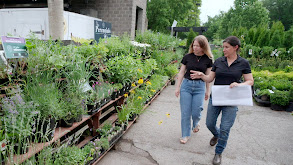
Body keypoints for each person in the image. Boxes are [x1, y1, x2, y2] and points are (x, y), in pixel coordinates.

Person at [190, 36, 254, 165]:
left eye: (227, 47)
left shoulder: (243, 63)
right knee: (209, 123)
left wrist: (239, 84)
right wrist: (202, 75)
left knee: (225, 128)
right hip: (217, 98)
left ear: (235, 48)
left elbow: (250, 81)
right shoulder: (219, 61)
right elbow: (209, 79)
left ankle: (218, 153)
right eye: (223, 47)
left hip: (231, 100)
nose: (223, 49)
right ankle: (216, 134)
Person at [175, 35, 213, 144]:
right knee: (185, 112)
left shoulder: (208, 60)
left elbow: (208, 76)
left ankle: (196, 122)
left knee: (197, 111)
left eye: (198, 46)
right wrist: (177, 87)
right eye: (194, 45)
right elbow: (181, 72)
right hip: (186, 86)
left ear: (203, 47)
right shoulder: (187, 57)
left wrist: (207, 91)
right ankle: (185, 134)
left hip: (199, 87)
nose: (195, 47)